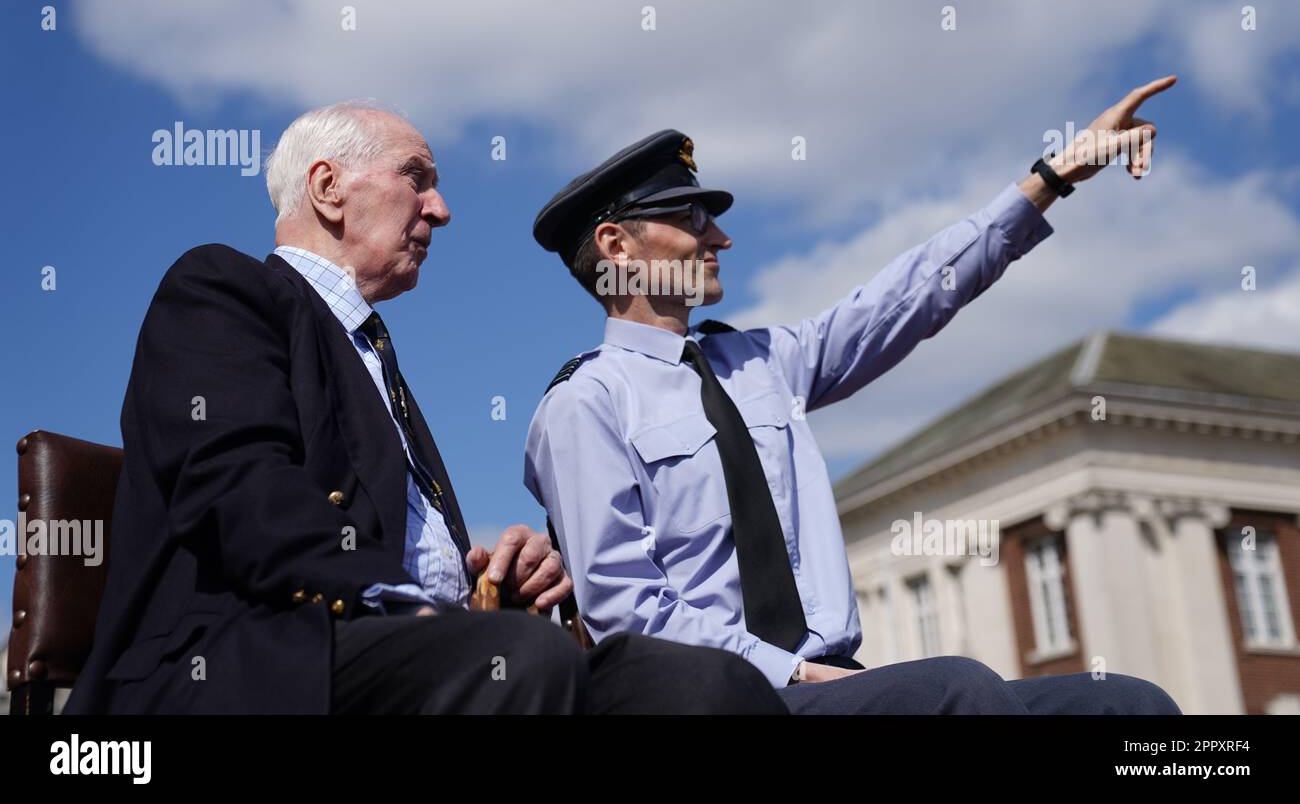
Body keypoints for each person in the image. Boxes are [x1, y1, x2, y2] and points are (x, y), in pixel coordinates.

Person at [65, 101, 787, 715]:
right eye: (417, 179)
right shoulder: (223, 289)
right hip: (240, 666)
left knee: (705, 683)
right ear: (327, 188)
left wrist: (488, 594)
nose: (440, 210)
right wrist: (404, 602)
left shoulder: (377, 359)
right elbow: (237, 487)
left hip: (402, 645)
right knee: (519, 659)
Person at [525, 78, 1184, 713]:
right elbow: (627, 614)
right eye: (692, 216)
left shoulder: (763, 361)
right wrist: (795, 671)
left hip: (830, 684)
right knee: (956, 691)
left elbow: (909, 297)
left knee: (1121, 703)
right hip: (723, 694)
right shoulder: (585, 404)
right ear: (617, 246)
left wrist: (1055, 176)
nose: (719, 237)